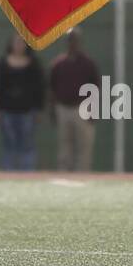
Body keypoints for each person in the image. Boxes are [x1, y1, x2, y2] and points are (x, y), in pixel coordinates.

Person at [49, 28, 101, 172]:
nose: (73, 43)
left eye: (75, 40)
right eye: (70, 40)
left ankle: (82, 175)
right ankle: (64, 175)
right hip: (63, 108)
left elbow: (95, 89)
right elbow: (52, 89)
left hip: (82, 109)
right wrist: (53, 110)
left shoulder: (88, 64)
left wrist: (93, 111)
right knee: (65, 147)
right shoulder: (58, 64)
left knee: (84, 147)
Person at [0, 33, 45, 170]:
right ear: (11, 44)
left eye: (22, 42)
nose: (19, 45)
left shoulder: (33, 64)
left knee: (26, 144)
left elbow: (39, 88)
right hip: (7, 111)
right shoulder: (3, 63)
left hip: (27, 111)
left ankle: (27, 173)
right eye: (16, 42)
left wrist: (39, 109)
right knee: (9, 144)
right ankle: (8, 173)